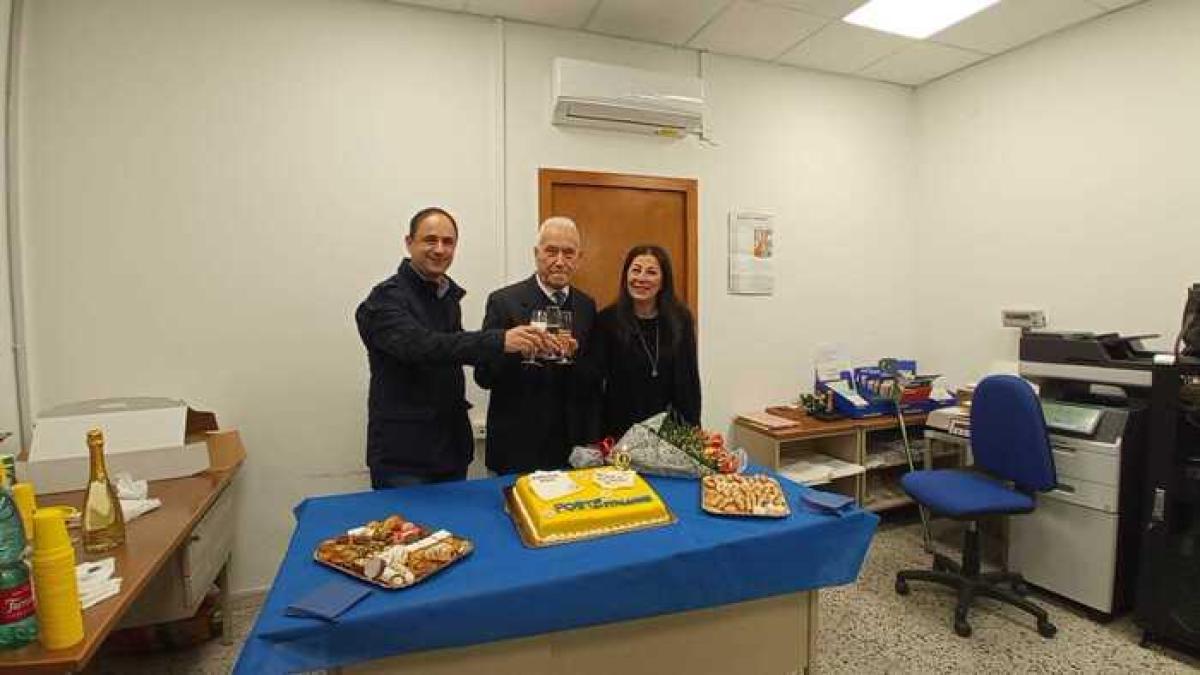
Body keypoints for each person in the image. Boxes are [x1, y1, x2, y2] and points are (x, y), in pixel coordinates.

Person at [356, 207, 551, 489]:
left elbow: (456, 349)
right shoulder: (384, 300)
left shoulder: (445, 295)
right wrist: (498, 340)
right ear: (409, 243)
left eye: (448, 242)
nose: (439, 249)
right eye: (430, 240)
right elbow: (422, 346)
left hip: (449, 450)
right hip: (404, 457)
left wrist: (524, 347)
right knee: (410, 532)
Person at [474, 217, 599, 474]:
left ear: (579, 257)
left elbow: (592, 379)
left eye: (568, 253)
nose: (560, 261)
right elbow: (483, 376)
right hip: (516, 449)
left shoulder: (587, 306)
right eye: (551, 251)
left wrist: (576, 357)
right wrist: (516, 349)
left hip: (570, 452)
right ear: (536, 253)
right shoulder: (503, 301)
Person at [595, 245, 701, 439]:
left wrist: (693, 434)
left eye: (651, 272)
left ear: (663, 282)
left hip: (668, 432)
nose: (641, 278)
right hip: (619, 433)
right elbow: (596, 385)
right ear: (625, 276)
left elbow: (689, 382)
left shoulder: (680, 320)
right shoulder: (606, 321)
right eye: (635, 270)